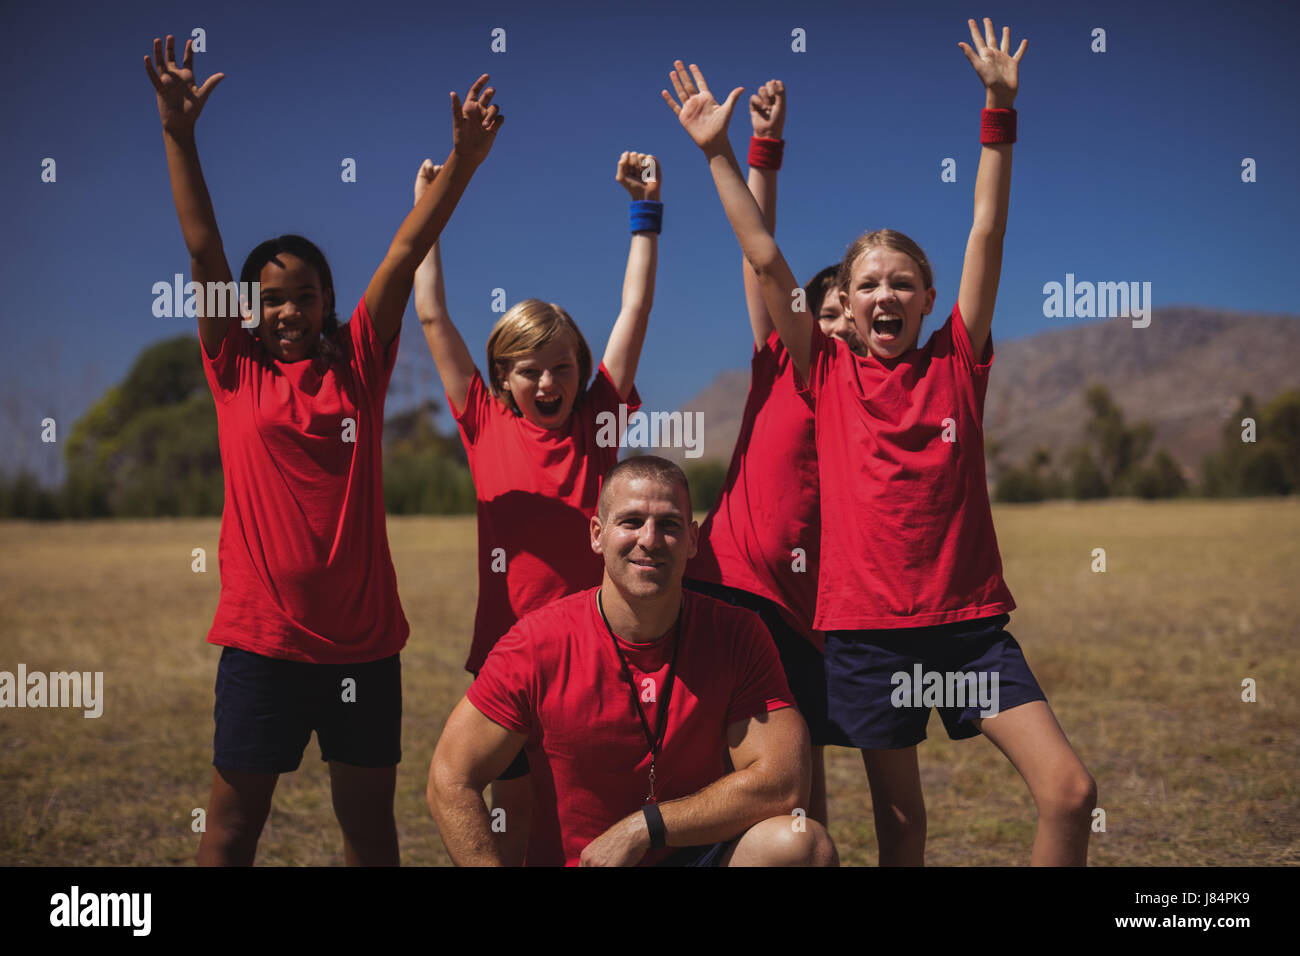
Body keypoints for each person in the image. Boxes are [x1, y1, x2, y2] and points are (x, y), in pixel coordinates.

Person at [664, 19, 1097, 866]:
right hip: (865, 635)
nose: (885, 294)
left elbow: (987, 231)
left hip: (969, 630)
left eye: (902, 282)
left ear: (930, 297)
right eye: (868, 284)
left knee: (1070, 793)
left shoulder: (958, 363)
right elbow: (763, 255)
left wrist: (998, 111)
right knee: (901, 824)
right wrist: (721, 151)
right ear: (848, 306)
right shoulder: (824, 372)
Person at [146, 32, 502, 865]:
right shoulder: (234, 369)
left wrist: (465, 162)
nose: (286, 311)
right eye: (270, 299)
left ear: (328, 303)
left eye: (304, 296)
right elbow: (203, 250)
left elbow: (405, 250)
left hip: (365, 648)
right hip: (263, 646)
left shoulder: (360, 366)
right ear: (250, 309)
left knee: (369, 831)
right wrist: (177, 131)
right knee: (233, 831)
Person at [410, 152, 660, 863]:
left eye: (563, 366)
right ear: (501, 376)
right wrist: (431, 210)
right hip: (508, 655)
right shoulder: (483, 422)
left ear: (582, 370)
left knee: (585, 815)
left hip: (594, 656)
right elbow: (430, 310)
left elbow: (634, 309)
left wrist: (645, 216)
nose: (548, 381)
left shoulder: (598, 421)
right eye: (530, 369)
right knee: (512, 816)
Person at [428, 456, 838, 866]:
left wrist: (644, 827)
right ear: (597, 534)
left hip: (692, 856)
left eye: (669, 524)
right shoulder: (535, 644)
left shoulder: (737, 633)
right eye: (631, 521)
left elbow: (783, 785)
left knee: (801, 843)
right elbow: (451, 777)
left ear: (694, 540)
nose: (650, 539)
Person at [683, 79, 866, 829]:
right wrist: (759, 148)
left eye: (846, 317)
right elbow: (761, 256)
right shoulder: (787, 359)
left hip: (814, 616)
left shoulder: (870, 399)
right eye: (822, 314)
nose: (834, 327)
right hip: (730, 588)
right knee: (711, 773)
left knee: (798, 804)